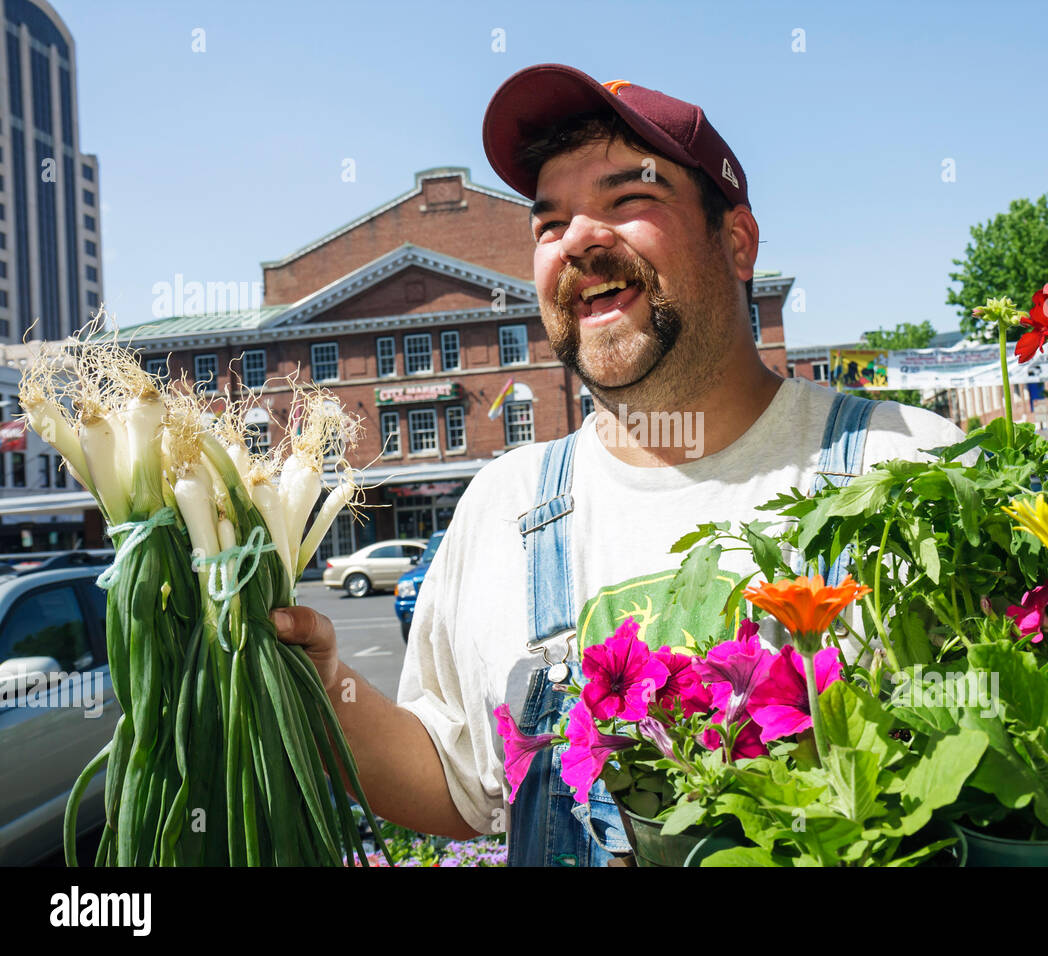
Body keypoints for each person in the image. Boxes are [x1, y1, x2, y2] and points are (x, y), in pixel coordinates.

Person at [273, 63, 971, 866]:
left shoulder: (908, 462)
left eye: (627, 199)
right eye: (549, 222)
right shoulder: (503, 505)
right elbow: (456, 778)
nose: (575, 239)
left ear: (736, 240)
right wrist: (323, 687)